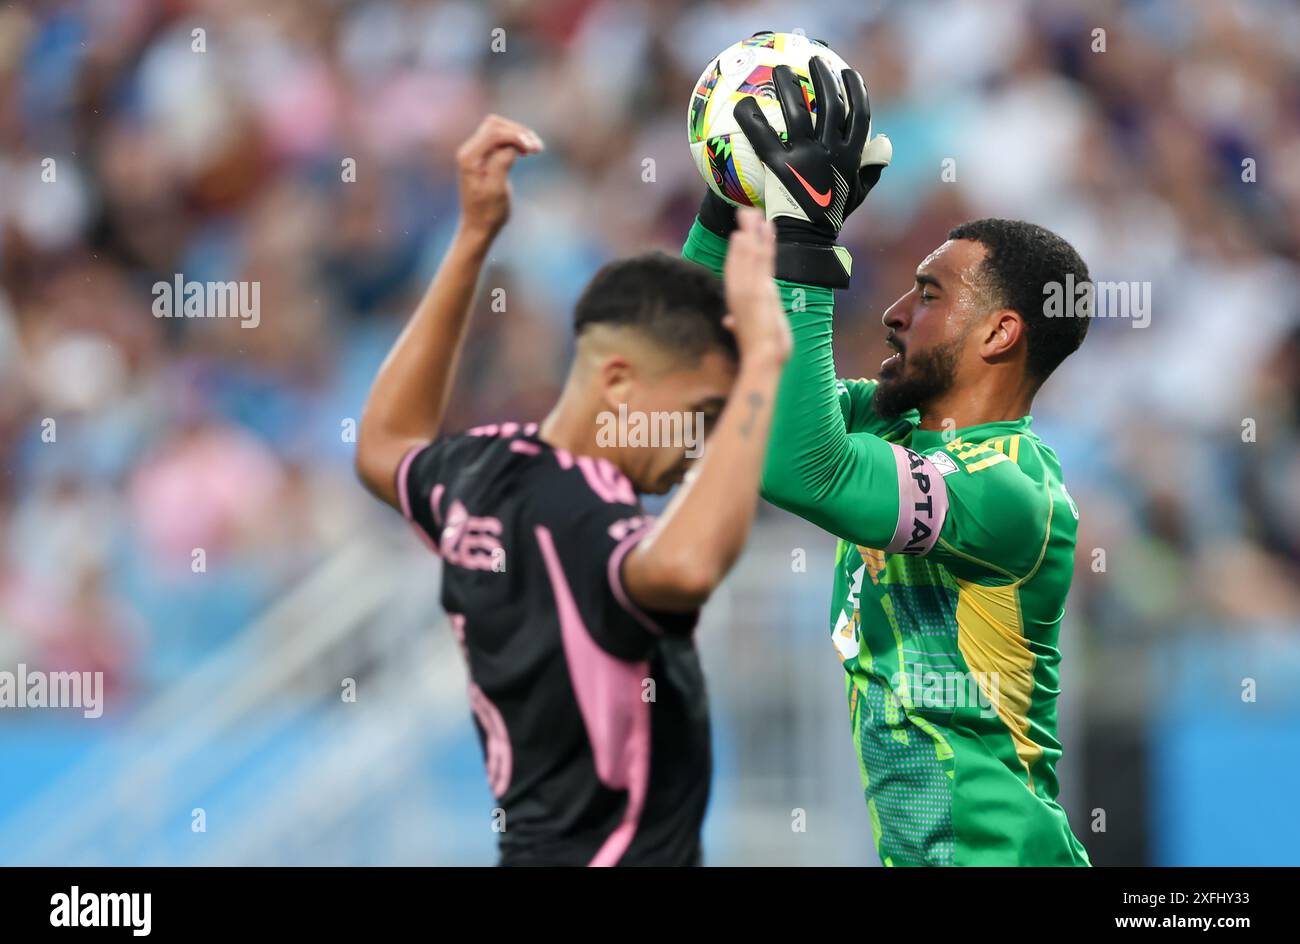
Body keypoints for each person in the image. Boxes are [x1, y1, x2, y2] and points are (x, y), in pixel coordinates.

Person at [682, 57, 1091, 865]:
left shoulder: (1012, 490)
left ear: (1001, 333)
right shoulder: (892, 419)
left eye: (931, 295)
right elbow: (702, 386)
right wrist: (738, 200)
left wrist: (804, 237)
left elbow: (805, 470)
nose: (897, 314)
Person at [355, 114, 791, 865]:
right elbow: (683, 569)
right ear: (618, 381)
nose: (700, 450)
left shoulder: (479, 473)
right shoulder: (587, 505)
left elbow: (383, 447)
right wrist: (763, 362)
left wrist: (472, 236)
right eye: (701, 416)